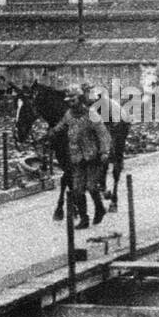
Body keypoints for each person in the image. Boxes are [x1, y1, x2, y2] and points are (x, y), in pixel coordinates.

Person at [48, 85, 112, 229]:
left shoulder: (91, 114)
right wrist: (52, 133)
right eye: (69, 101)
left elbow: (103, 134)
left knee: (91, 186)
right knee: (77, 189)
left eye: (73, 100)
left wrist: (104, 152)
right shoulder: (69, 115)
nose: (71, 103)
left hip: (92, 156)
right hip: (76, 157)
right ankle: (84, 219)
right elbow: (61, 126)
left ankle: (99, 208)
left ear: (80, 99)